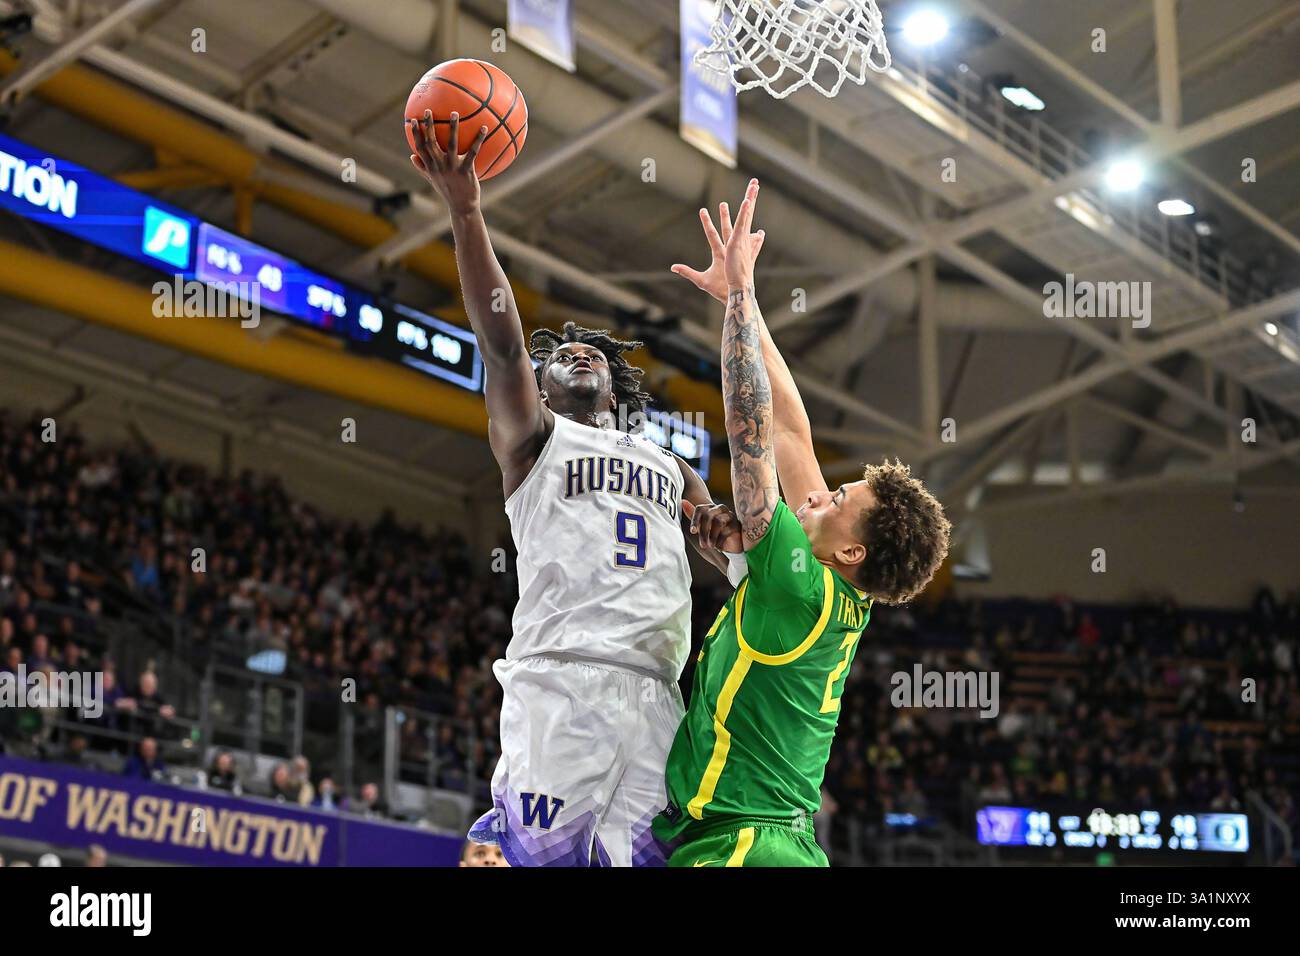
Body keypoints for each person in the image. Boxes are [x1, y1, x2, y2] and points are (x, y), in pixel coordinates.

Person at [408, 110, 747, 868]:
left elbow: (738, 563)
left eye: (593, 350)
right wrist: (466, 211)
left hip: (661, 698)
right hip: (561, 684)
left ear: (618, 386)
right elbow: (499, 343)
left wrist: (744, 544)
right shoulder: (534, 441)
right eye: (562, 355)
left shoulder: (670, 465)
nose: (580, 352)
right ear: (546, 387)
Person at [654, 181, 951, 866]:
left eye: (835, 500)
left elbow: (750, 429)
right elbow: (790, 431)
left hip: (744, 848)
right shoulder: (828, 581)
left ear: (850, 548)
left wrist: (735, 304)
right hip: (769, 844)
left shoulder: (799, 584)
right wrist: (747, 298)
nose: (816, 496)